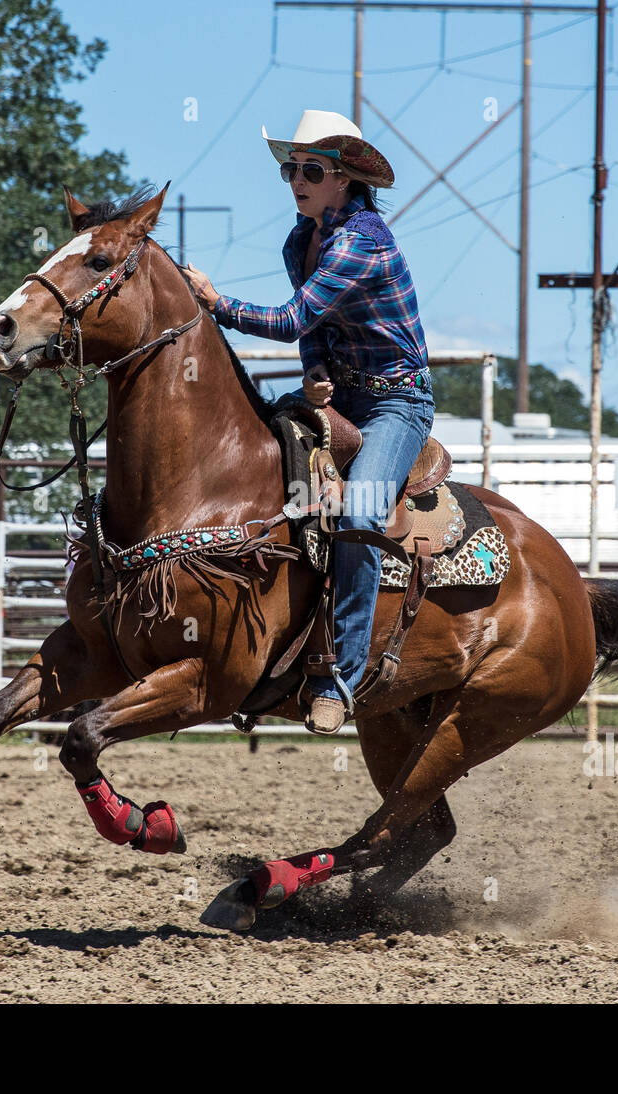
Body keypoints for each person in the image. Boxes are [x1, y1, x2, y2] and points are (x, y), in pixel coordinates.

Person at [185, 109, 435, 734]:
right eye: (291, 169)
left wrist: (217, 304)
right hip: (344, 398)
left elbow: (295, 316)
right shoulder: (303, 240)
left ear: (345, 179)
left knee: (358, 513)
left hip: (396, 403)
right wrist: (316, 372)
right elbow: (313, 332)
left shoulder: (362, 240)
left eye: (312, 169)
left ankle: (342, 677)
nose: (297, 178)